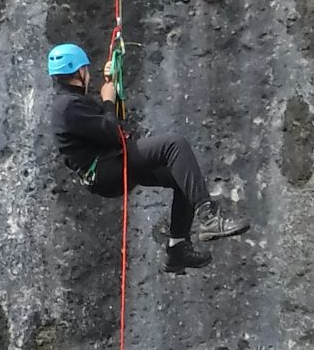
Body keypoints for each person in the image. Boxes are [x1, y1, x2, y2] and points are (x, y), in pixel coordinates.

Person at [47, 41, 247, 272]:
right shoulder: (68, 107)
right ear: (80, 72)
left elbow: (101, 127)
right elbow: (112, 133)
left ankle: (177, 248)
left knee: (181, 177)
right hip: (105, 168)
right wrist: (108, 100)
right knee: (174, 144)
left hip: (108, 164)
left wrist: (110, 85)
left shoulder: (70, 103)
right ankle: (209, 218)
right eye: (86, 70)